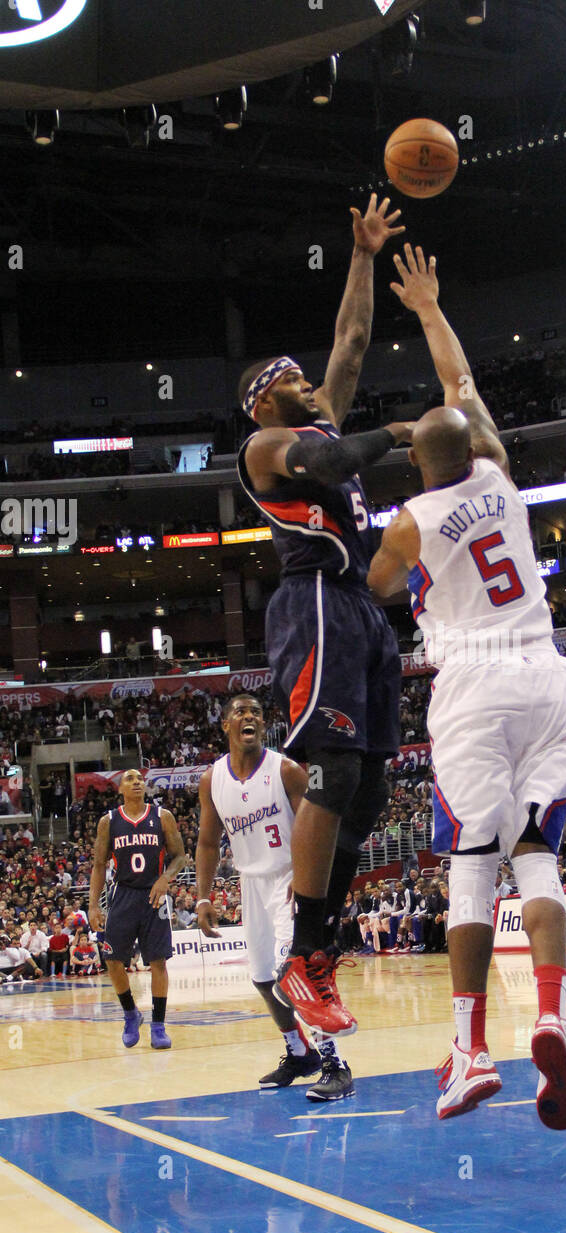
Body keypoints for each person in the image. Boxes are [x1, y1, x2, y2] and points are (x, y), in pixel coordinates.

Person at [367, 244, 566, 1129]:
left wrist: (381, 468)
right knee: (535, 853)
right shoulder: (496, 471)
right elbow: (460, 386)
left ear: (416, 463)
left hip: (477, 690)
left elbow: (371, 584)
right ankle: (551, 1012)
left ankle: (469, 1049)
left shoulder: (411, 520)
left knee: (467, 865)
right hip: (549, 678)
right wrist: (428, 307)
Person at [235, 193, 411, 1042]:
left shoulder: (315, 410)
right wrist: (402, 432)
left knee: (370, 789)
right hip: (311, 604)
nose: (313, 382)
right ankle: (307, 950)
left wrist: (363, 253)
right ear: (266, 401)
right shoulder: (267, 447)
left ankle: (316, 951)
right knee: (333, 773)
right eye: (294, 381)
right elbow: (336, 455)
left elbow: (350, 340)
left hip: (363, 612)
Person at [196, 694, 350, 1100]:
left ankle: (336, 1064)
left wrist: (309, 882)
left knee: (297, 973)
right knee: (264, 979)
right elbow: (209, 843)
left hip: (290, 880)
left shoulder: (286, 770)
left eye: (256, 713)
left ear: (263, 725)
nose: (249, 717)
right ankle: (300, 1054)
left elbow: (315, 832)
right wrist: (202, 896)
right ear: (225, 725)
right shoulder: (213, 779)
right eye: (240, 713)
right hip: (251, 883)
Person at [88, 770, 186, 1049]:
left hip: (154, 896)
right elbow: (98, 864)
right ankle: (131, 1014)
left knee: (158, 962)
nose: (137, 782)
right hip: (123, 894)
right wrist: (93, 906)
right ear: (120, 788)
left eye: (140, 779)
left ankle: (158, 1025)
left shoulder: (162, 816)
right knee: (112, 960)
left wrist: (165, 879)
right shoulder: (109, 821)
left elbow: (180, 856)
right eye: (129, 779)